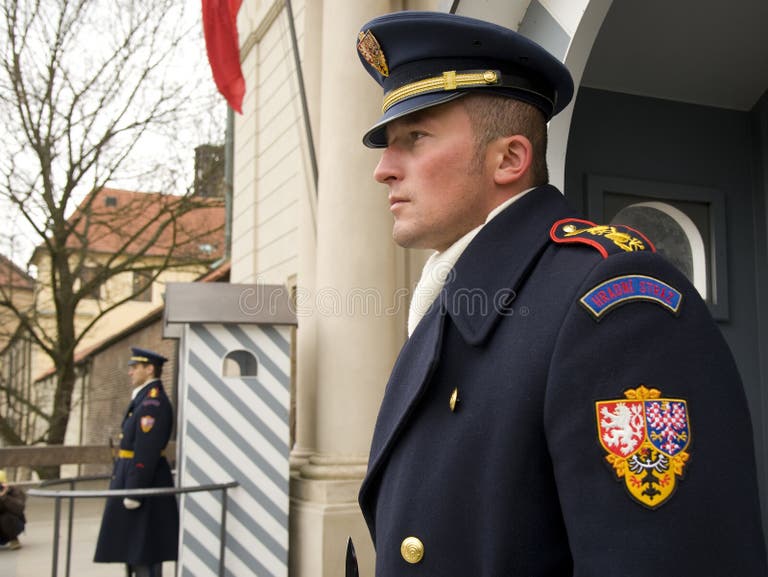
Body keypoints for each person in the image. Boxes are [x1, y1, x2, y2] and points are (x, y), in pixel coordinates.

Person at [352, 11, 768, 577]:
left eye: (414, 138)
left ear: (510, 159)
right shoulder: (457, 296)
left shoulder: (618, 303)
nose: (383, 170)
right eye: (386, 144)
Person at [94, 347, 178, 577]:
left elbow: (146, 449)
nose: (130, 372)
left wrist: (135, 490)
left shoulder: (153, 403)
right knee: (134, 548)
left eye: (135, 367)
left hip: (142, 481)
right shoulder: (143, 398)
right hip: (132, 477)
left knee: (144, 549)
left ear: (150, 369)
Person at [0, 470, 26, 550]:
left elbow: (19, 509)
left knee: (6, 517)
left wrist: (4, 497)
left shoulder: (15, 491)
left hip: (12, 526)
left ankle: (13, 539)